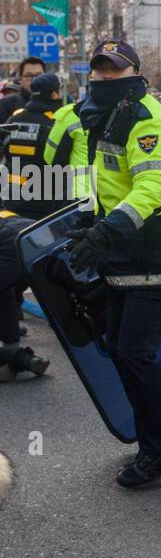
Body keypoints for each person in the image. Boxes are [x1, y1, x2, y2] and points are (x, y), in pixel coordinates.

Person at [63, 40, 161, 487]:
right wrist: (87, 216)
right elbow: (101, 178)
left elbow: (153, 186)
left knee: (133, 352)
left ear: (134, 76)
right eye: (99, 71)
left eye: (114, 72)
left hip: (159, 254)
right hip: (126, 252)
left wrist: (105, 232)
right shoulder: (103, 117)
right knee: (121, 348)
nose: (104, 78)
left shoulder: (148, 121)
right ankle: (157, 439)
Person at [0, 73, 77, 220]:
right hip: (44, 197)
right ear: (54, 94)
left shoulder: (15, 117)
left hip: (11, 194)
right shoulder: (56, 122)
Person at [0, 209, 50, 378]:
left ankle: (13, 355)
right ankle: (14, 352)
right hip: (33, 232)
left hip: (14, 242)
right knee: (4, 291)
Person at [0, 57, 46, 124]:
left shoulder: (55, 103)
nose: (35, 79)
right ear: (20, 78)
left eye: (39, 75)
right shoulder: (5, 104)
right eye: (29, 75)